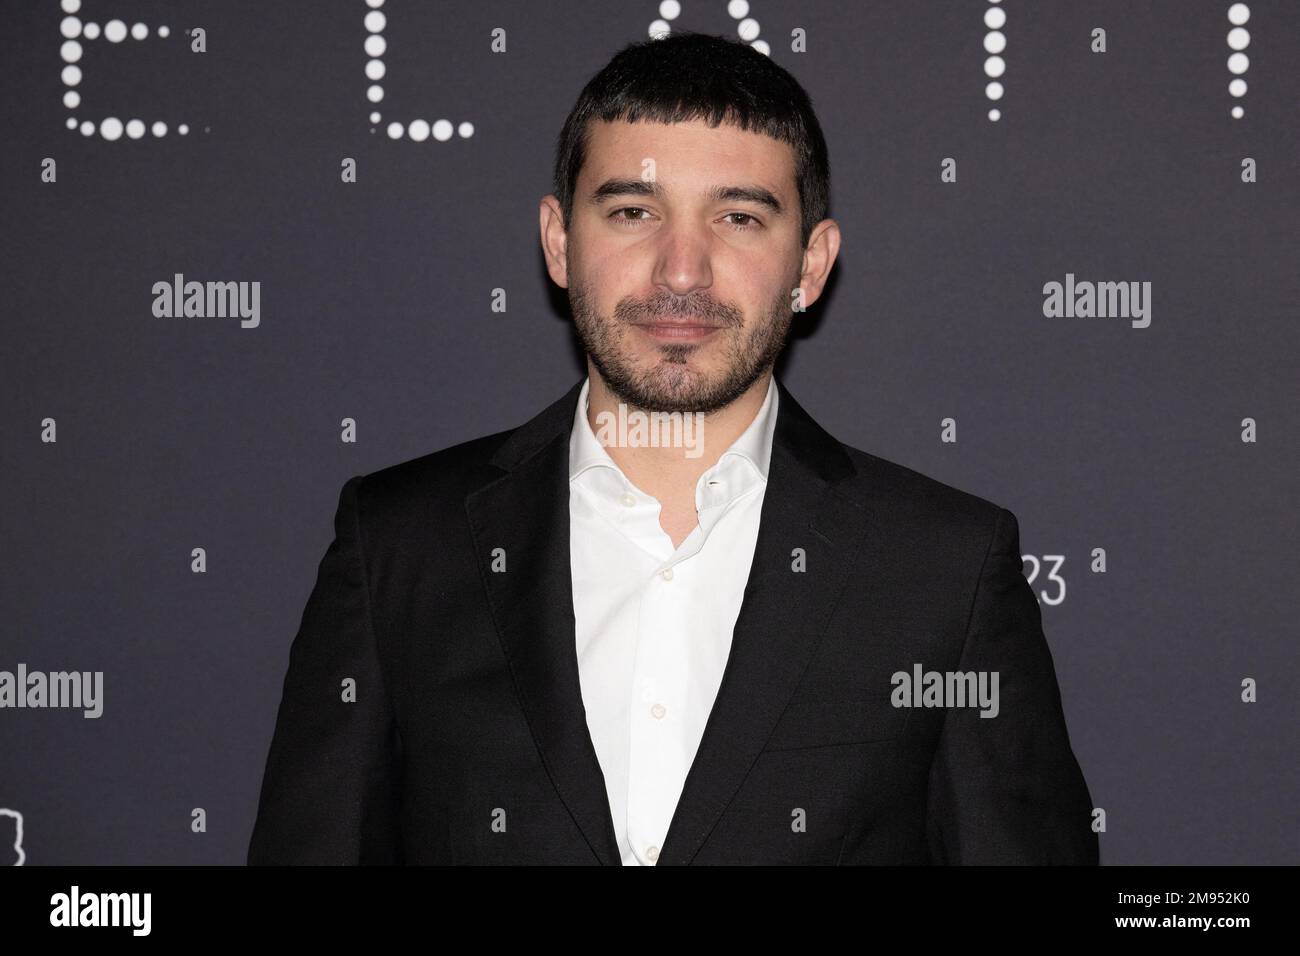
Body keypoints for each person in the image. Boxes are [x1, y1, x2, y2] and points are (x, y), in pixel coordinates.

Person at [248, 31, 1098, 865]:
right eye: (632, 212)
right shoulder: (402, 544)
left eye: (737, 216)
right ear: (558, 242)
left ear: (810, 264)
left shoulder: (942, 568)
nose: (681, 269)